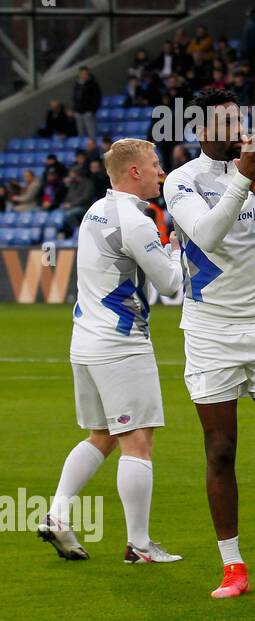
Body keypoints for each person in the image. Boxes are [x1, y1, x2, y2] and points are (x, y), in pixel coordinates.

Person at [163, 88, 255, 599]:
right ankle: (232, 565)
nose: (235, 130)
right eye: (223, 123)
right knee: (221, 448)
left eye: (239, 120)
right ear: (201, 130)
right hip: (209, 332)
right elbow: (206, 235)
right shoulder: (182, 180)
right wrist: (243, 181)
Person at [36, 139, 184, 563]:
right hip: (121, 344)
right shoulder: (135, 223)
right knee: (138, 441)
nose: (161, 172)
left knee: (102, 436)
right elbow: (171, 283)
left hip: (84, 339)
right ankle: (139, 546)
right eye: (155, 165)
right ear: (134, 171)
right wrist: (176, 247)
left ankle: (58, 514)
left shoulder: (95, 211)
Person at [72, 67, 101, 139]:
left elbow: (97, 98)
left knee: (91, 132)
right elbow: (75, 97)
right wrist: (75, 109)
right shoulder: (77, 84)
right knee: (81, 132)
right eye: (82, 74)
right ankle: (82, 148)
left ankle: (93, 147)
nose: (84, 75)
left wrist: (92, 110)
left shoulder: (93, 84)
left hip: (88, 112)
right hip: (78, 111)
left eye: (85, 74)